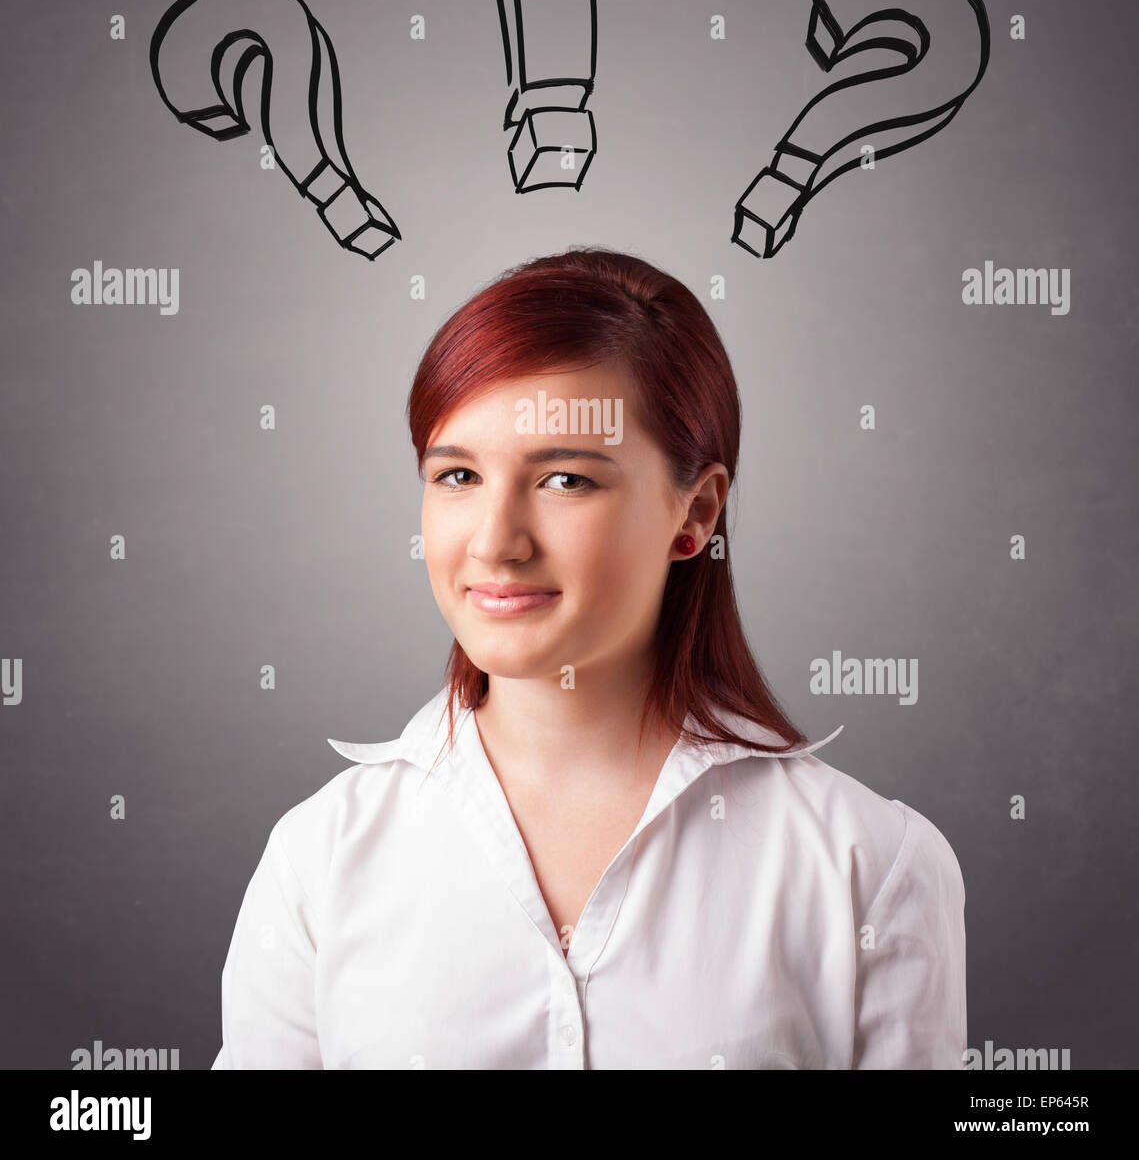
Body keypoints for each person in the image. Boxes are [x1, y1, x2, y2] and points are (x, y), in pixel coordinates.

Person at [211, 246, 966, 1070]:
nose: (496, 543)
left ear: (695, 512)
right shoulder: (319, 858)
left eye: (566, 480)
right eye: (457, 474)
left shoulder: (868, 865)